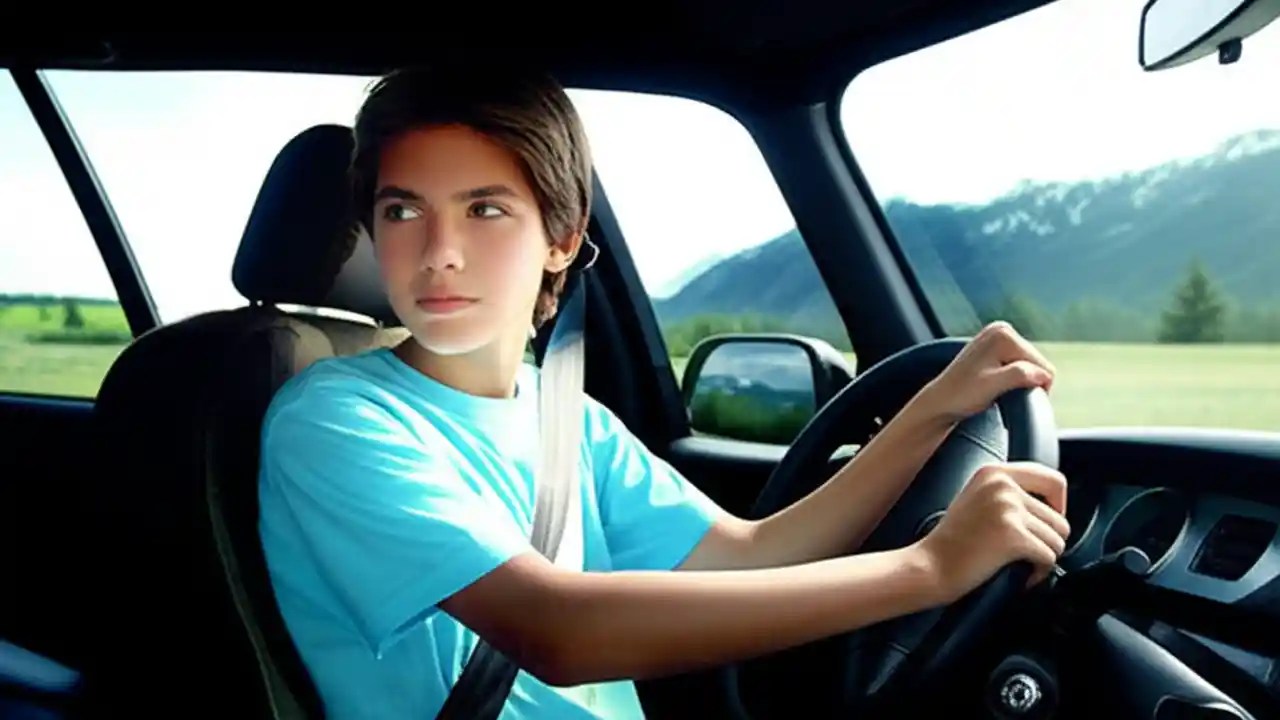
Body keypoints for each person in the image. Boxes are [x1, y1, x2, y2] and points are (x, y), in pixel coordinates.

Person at [257, 66, 1070, 719]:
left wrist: (934, 409)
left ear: (562, 239)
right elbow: (556, 631)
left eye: (484, 210)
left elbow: (751, 558)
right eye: (404, 211)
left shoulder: (566, 418)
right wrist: (929, 567)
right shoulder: (334, 418)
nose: (440, 252)